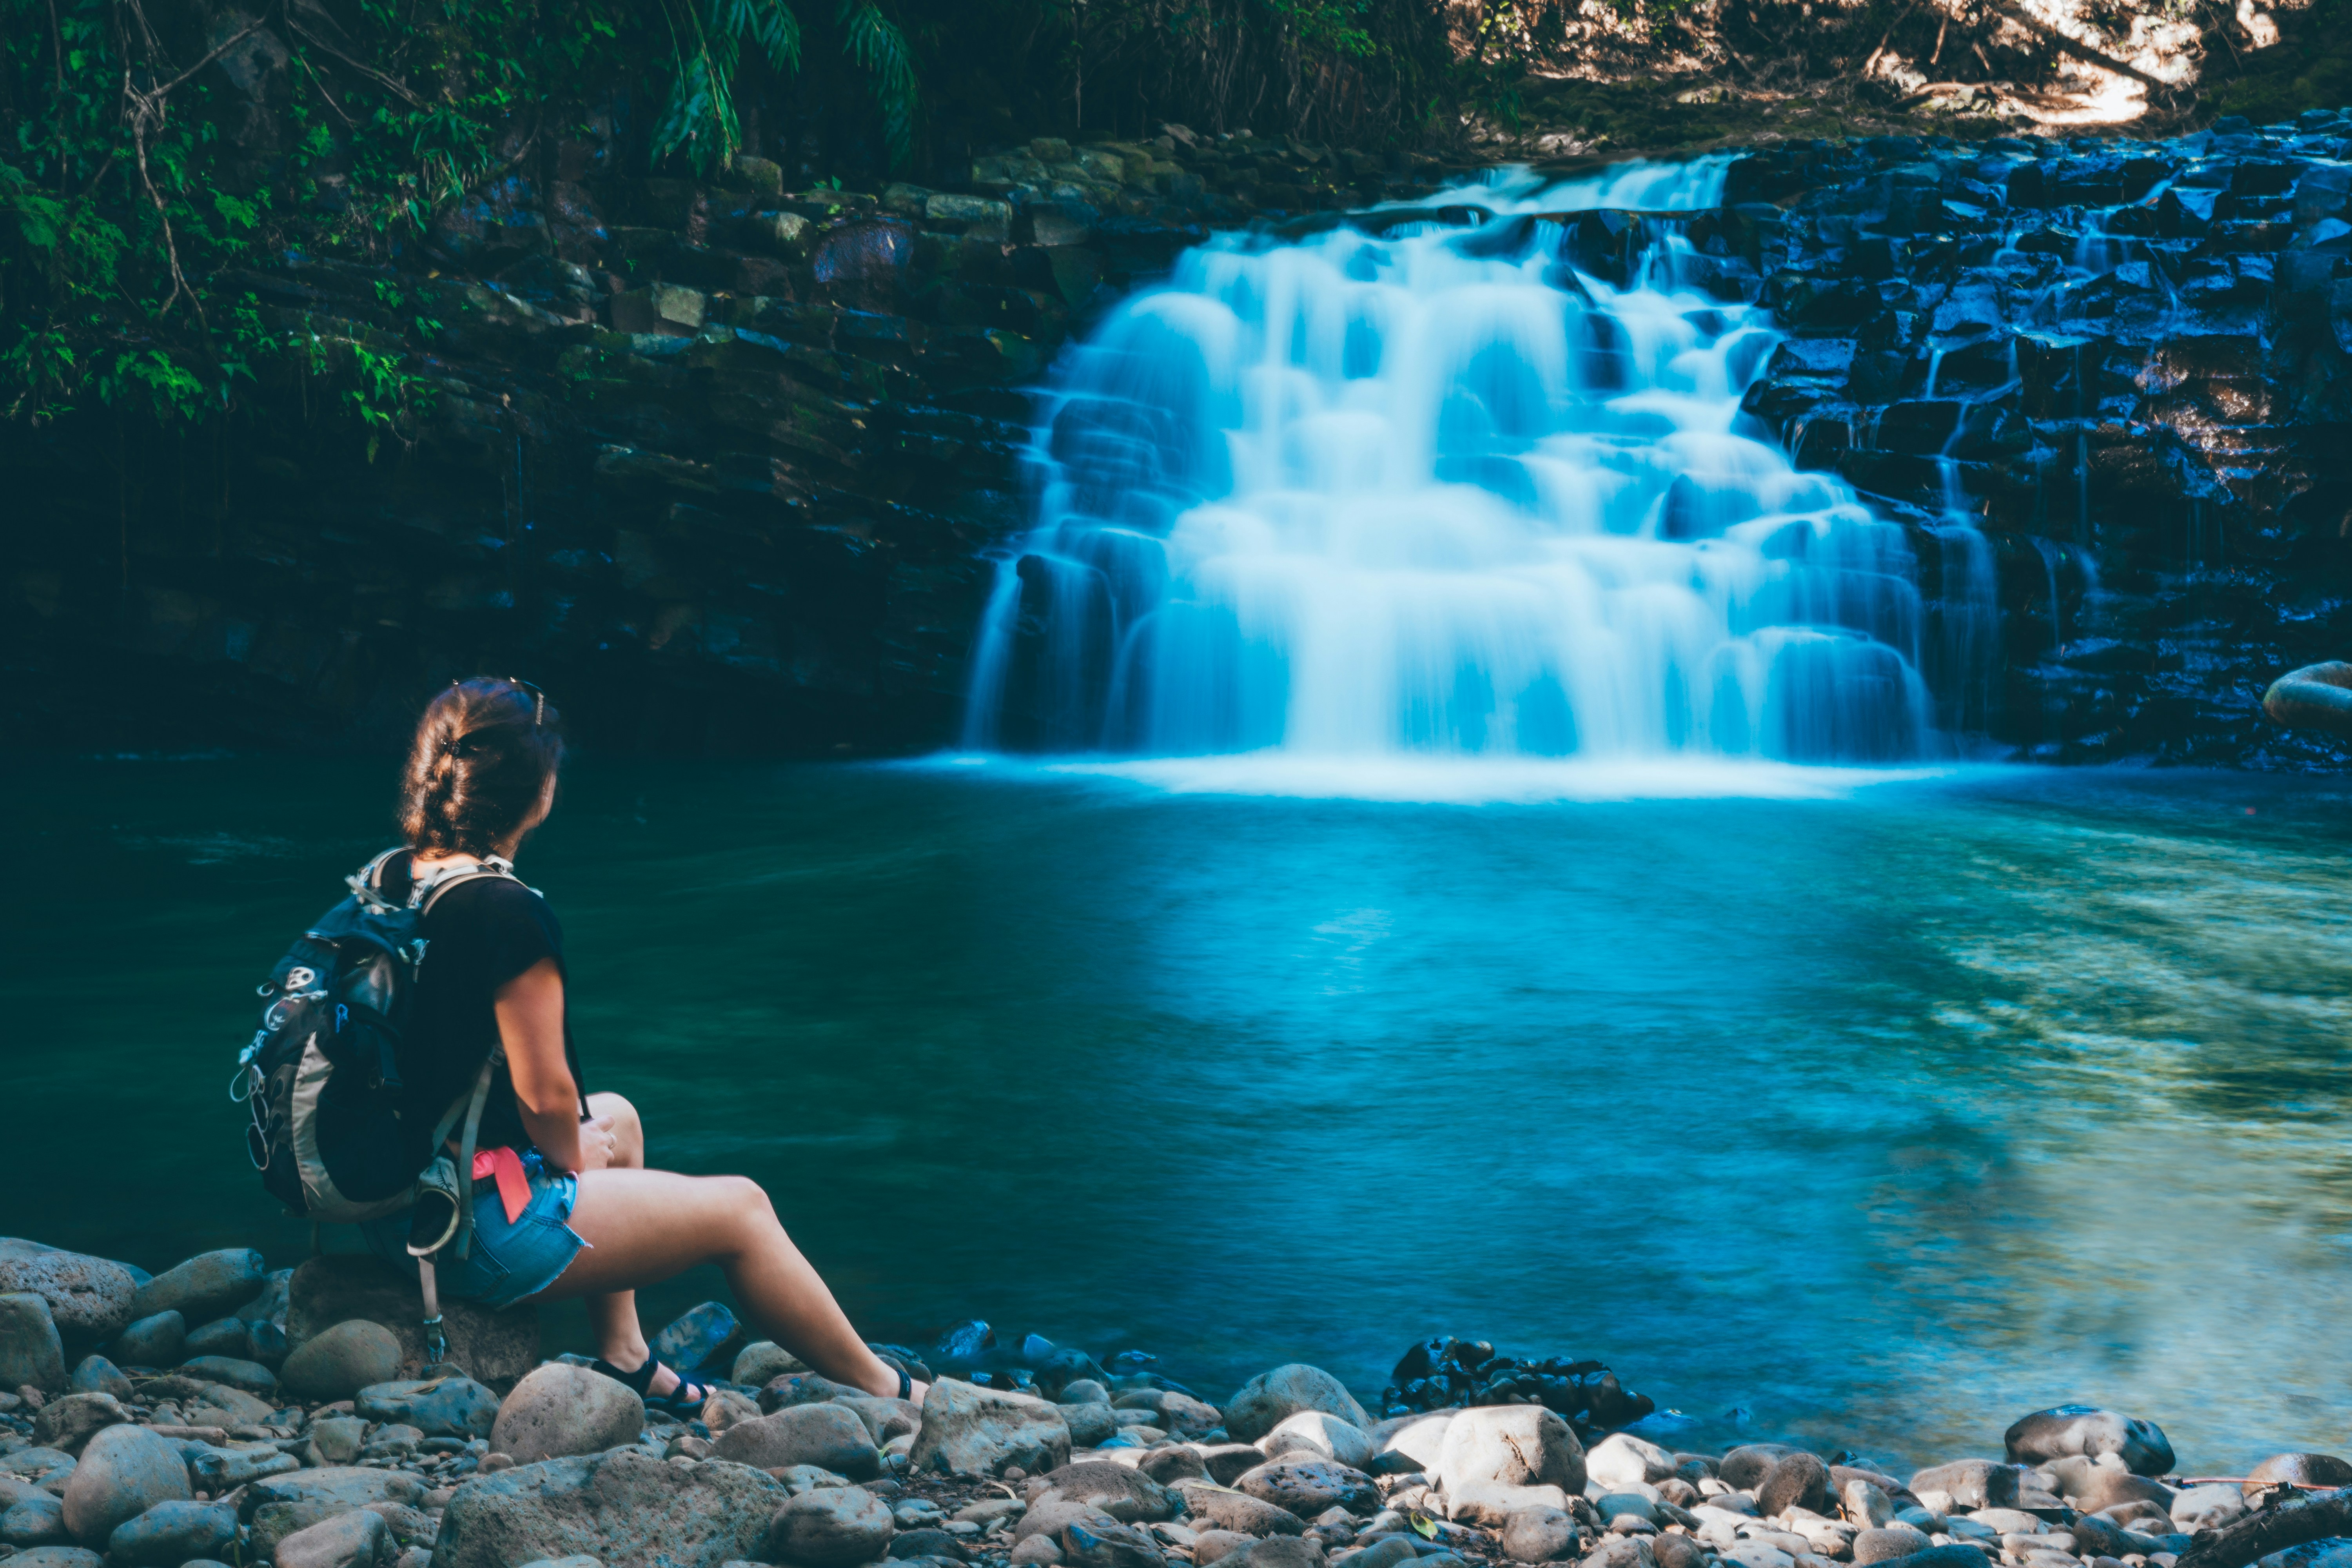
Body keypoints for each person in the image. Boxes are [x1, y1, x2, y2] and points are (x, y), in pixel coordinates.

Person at [354, 675, 922, 1412]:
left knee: (617, 1115)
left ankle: (626, 1355)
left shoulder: (391, 875)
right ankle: (893, 1392)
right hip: (463, 1231)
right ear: (539, 792)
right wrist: (572, 1160)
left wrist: (579, 1144)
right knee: (743, 1210)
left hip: (389, 1199)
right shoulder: (505, 912)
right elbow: (545, 1099)